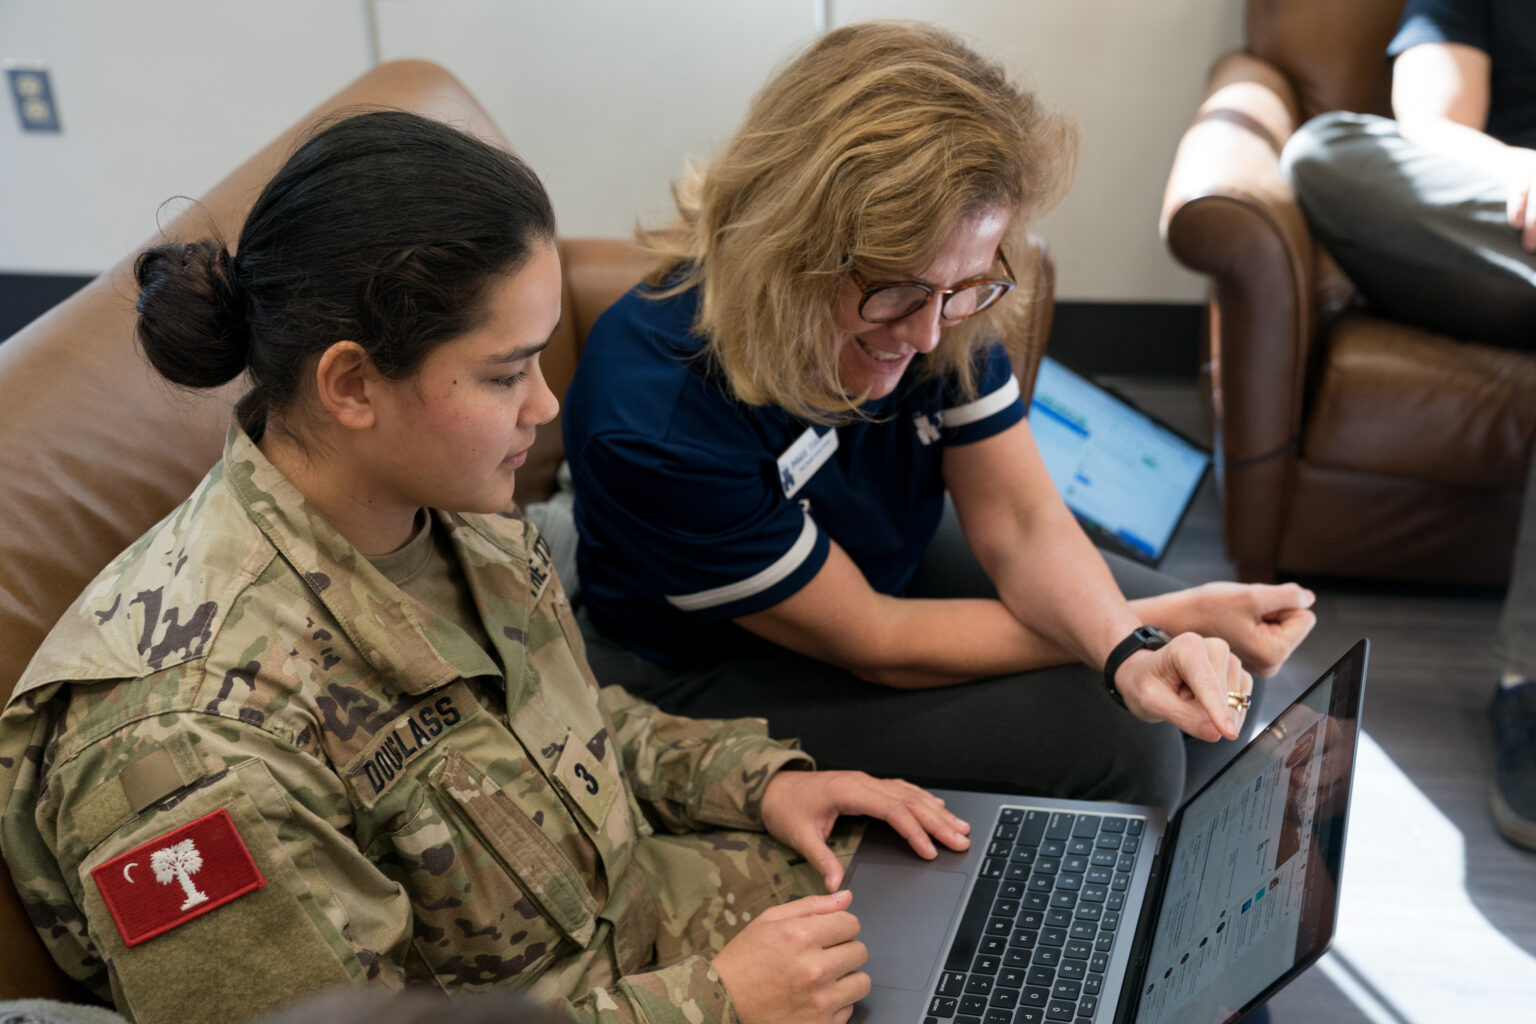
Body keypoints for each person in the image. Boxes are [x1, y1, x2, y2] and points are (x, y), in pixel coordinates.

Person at [0, 110, 972, 1024]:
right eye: (507, 373)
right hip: (641, 997)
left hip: (645, 926)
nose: (545, 407)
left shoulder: (442, 508)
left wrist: (750, 781)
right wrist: (714, 1004)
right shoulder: (193, 754)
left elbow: (556, 730)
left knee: (987, 916)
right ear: (350, 384)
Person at [562, 20, 1318, 813]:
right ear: (790, 248)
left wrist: (1130, 647)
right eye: (898, 293)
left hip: (872, 551)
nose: (927, 335)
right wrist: (1163, 620)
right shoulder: (654, 423)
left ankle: (1163, 918)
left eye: (962, 288)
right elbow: (878, 642)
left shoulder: (942, 292)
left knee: (1209, 685)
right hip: (712, 661)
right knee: (1126, 738)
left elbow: (1023, 522)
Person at [1281, 0, 1536, 849]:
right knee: (1327, 151)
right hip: (1495, 228)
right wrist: (1521, 170)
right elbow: (1433, 119)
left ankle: (1527, 680)